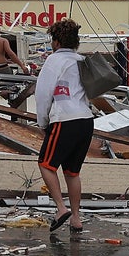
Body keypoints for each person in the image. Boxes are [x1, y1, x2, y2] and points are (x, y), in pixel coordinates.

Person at [35, 18, 95, 235]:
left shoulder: (53, 61)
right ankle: (76, 219)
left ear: (56, 41)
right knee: (72, 171)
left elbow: (42, 94)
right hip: (86, 120)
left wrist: (42, 122)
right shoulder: (82, 60)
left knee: (45, 164)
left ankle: (61, 209)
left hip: (64, 118)